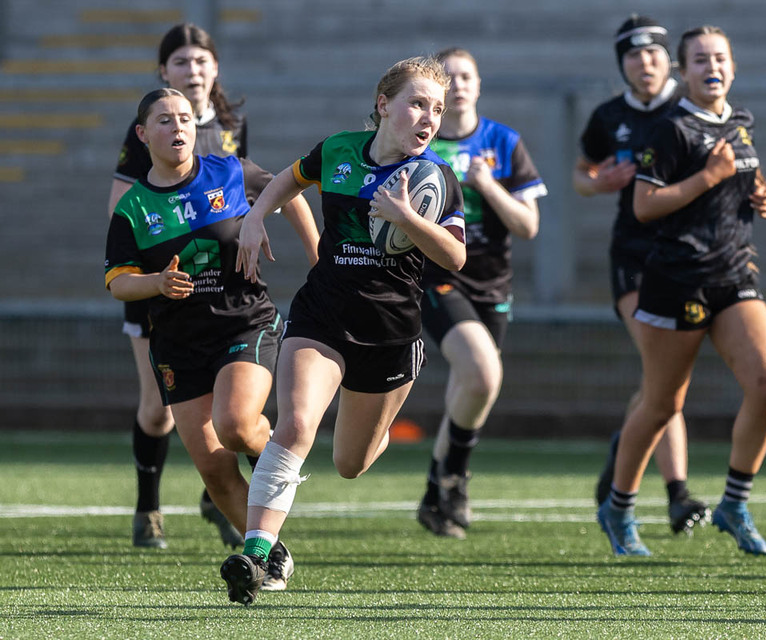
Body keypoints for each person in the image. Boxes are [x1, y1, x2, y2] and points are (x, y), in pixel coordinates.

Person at [218, 55, 466, 605]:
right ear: (384, 106)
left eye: (439, 110)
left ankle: (373, 428)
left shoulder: (437, 178)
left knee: (349, 464)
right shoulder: (337, 151)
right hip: (322, 318)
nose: (430, 118)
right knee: (297, 424)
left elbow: (455, 256)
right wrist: (257, 216)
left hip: (392, 334)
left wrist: (408, 220)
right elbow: (290, 178)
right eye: (418, 104)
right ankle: (257, 554)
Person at [105, 88, 319, 589]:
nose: (177, 127)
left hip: (244, 323)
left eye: (184, 118)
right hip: (178, 346)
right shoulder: (133, 208)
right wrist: (156, 283)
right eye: (163, 120)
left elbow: (289, 190)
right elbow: (117, 280)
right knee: (212, 465)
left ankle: (278, 449)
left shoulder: (229, 170)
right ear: (142, 134)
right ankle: (266, 555)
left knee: (237, 425)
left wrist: (318, 258)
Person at [596, 26, 766, 556]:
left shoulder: (740, 122)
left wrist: (761, 194)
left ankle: (734, 504)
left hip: (735, 275)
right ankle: (619, 507)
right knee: (660, 405)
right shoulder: (671, 130)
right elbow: (644, 206)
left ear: (733, 65)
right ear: (684, 71)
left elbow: (743, 178)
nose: (712, 66)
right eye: (699, 60)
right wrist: (708, 178)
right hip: (677, 280)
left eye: (719, 57)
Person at [108, 24, 251, 550]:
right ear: (163, 72)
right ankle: (148, 509)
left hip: (221, 296)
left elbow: (248, 196)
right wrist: (154, 266)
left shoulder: (231, 126)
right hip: (158, 282)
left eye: (201, 61)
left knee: (230, 403)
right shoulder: (146, 127)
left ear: (214, 69)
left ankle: (220, 496)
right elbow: (121, 209)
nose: (193, 71)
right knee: (159, 410)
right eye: (181, 63)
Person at [574, 15, 710, 535]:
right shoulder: (609, 116)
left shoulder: (690, 108)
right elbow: (580, 175)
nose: (643, 62)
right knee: (664, 378)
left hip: (692, 258)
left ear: (669, 59)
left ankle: (624, 447)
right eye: (632, 55)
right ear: (622, 65)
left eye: (652, 53)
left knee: (662, 385)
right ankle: (678, 495)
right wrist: (599, 182)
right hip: (633, 259)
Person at [414, 48, 547, 539]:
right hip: (439, 276)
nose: (460, 83)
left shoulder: (503, 141)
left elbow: (528, 226)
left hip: (493, 282)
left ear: (478, 83)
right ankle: (456, 480)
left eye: (467, 75)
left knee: (470, 388)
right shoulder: (420, 145)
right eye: (450, 77)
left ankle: (435, 494)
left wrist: (488, 188)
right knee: (483, 375)